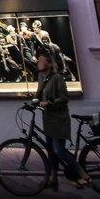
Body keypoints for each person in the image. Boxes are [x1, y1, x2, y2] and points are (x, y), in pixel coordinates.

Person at [33, 50, 89, 189]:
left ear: (50, 64)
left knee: (59, 150)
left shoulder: (57, 78)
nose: (39, 62)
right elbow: (39, 94)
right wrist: (33, 102)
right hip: (48, 119)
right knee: (51, 150)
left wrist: (49, 103)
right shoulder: (42, 77)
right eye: (38, 60)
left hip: (59, 119)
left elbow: (64, 98)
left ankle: (83, 174)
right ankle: (53, 178)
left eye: (42, 60)